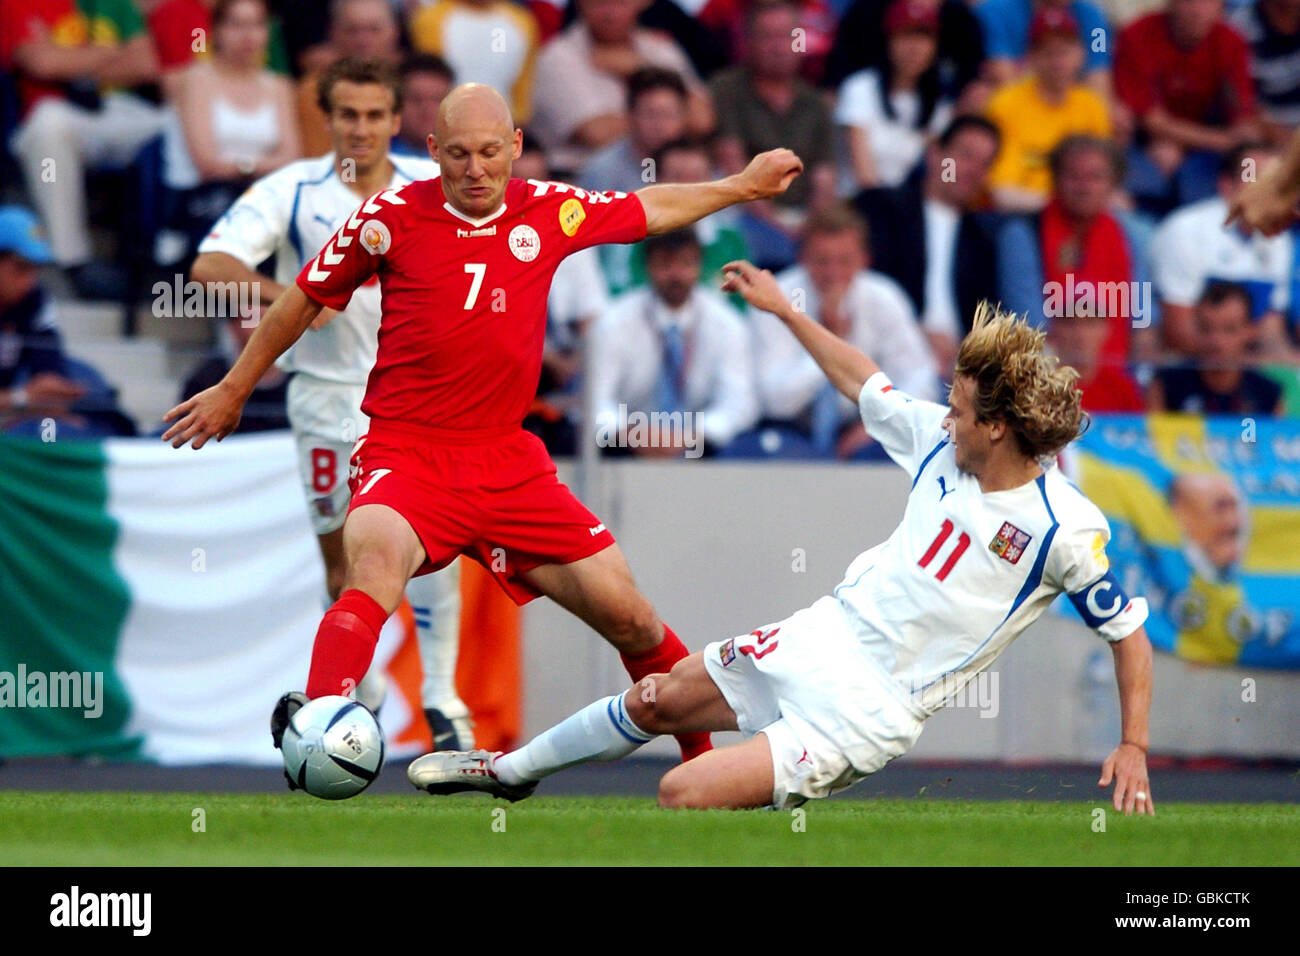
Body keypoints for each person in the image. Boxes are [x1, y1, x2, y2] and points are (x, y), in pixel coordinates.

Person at [161, 82, 804, 771]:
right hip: (406, 454)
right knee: (370, 570)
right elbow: (303, 299)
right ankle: (316, 741)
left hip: (508, 465)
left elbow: (650, 208)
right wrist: (233, 389)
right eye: (459, 154)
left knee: (633, 618)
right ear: (433, 151)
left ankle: (702, 760)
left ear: (516, 148)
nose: (475, 169)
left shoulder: (550, 211)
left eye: (491, 152)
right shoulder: (389, 218)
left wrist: (740, 186)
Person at [406, 266, 1156, 815]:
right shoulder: (939, 440)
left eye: (960, 410)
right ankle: (507, 771)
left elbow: (1129, 635)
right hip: (821, 634)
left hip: (868, 709)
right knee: (656, 698)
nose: (946, 416)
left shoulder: (1064, 529)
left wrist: (1133, 745)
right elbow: (863, 381)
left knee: (681, 795)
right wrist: (783, 311)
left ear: (996, 426)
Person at [188, 57, 472, 747]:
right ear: (327, 117)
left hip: (419, 398)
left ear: (398, 120)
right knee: (341, 559)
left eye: (375, 115)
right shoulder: (291, 190)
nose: (361, 129)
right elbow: (210, 264)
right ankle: (359, 688)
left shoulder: (431, 189)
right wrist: (290, 298)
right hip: (324, 397)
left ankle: (441, 696)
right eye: (347, 114)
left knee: (436, 547)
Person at [747, 204, 939, 459]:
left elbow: (920, 381)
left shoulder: (884, 298)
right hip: (793, 429)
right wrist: (827, 341)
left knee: (897, 448)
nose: (833, 274)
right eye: (822, 261)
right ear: (803, 257)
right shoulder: (777, 298)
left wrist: (878, 426)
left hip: (866, 426)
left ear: (864, 259)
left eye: (845, 261)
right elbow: (774, 400)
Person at [588, 228, 760, 457]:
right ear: (647, 266)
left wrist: (689, 436)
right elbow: (596, 402)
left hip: (701, 448)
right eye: (665, 265)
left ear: (700, 266)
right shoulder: (613, 323)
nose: (675, 275)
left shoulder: (727, 324)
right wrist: (633, 434)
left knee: (741, 446)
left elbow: (740, 404)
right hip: (625, 447)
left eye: (686, 264)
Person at [984, 7, 1112, 213]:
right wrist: (1061, 207)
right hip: (1022, 212)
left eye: (1064, 51)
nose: (1058, 62)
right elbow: (1001, 192)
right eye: (1049, 53)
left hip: (1082, 213)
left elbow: (1105, 180)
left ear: (1080, 54)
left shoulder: (1092, 106)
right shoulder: (1005, 104)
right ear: (1032, 57)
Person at [1147, 281, 1287, 414]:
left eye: (1229, 329)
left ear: (1250, 331)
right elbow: (1149, 436)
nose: (1216, 341)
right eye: (1206, 328)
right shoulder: (1166, 385)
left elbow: (1279, 436)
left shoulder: (1267, 393)